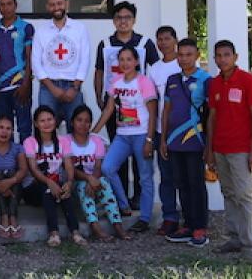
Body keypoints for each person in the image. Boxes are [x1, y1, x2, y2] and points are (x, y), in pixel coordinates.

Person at [93, 2, 159, 209]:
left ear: (134, 20)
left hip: (140, 112)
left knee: (141, 159)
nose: (123, 21)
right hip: (116, 108)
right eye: (119, 17)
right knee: (117, 154)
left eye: (127, 17)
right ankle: (120, 199)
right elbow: (99, 71)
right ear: (113, 20)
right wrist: (98, 96)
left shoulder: (146, 43)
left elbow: (155, 72)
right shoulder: (105, 43)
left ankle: (138, 197)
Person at [204, 40, 252, 256]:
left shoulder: (248, 81)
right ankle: (234, 238)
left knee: (243, 194)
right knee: (228, 193)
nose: (222, 59)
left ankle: (249, 245)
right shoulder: (215, 84)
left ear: (235, 57)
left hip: (241, 150)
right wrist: (209, 150)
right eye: (218, 55)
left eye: (226, 55)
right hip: (220, 148)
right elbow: (212, 117)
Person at [93, 46, 158, 233]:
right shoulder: (116, 81)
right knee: (107, 167)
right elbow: (109, 110)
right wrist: (94, 132)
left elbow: (153, 113)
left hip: (141, 134)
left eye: (129, 59)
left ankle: (145, 218)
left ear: (137, 62)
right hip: (122, 135)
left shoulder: (144, 82)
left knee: (145, 178)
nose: (125, 63)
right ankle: (123, 205)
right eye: (122, 59)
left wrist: (149, 139)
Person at [159, 38, 211, 248]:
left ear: (197, 56)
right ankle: (188, 225)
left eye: (189, 54)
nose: (184, 59)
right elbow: (166, 111)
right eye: (180, 55)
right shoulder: (172, 80)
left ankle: (200, 227)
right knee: (181, 184)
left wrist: (209, 144)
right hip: (174, 143)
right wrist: (162, 139)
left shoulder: (206, 80)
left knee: (196, 184)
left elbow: (211, 115)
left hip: (196, 142)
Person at [23, 105, 85, 247]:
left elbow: (69, 166)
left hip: (56, 183)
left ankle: (75, 232)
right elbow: (33, 169)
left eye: (49, 119)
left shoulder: (63, 141)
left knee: (65, 192)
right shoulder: (30, 142)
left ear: (55, 120)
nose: (46, 123)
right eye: (42, 120)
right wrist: (49, 182)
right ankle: (54, 233)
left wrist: (69, 182)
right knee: (48, 189)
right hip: (33, 188)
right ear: (36, 124)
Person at [68, 105, 129, 242]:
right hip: (74, 182)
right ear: (72, 122)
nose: (83, 124)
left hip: (94, 180)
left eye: (87, 121)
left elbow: (98, 166)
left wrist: (93, 179)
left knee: (104, 183)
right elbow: (70, 169)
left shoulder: (96, 141)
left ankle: (117, 225)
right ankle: (95, 226)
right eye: (79, 120)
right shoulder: (66, 141)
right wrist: (89, 179)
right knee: (84, 186)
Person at [31, 0, 91, 126]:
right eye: (52, 5)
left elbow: (85, 59)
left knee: (77, 128)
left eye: (59, 3)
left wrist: (75, 88)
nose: (56, 7)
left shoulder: (80, 28)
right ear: (47, 7)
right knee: (46, 129)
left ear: (67, 4)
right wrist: (53, 88)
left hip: (73, 86)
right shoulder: (41, 30)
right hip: (48, 88)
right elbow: (35, 62)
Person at [147, 26, 183, 236]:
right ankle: (170, 217)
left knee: (186, 177)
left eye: (167, 39)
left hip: (185, 132)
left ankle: (191, 216)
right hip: (163, 131)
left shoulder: (185, 64)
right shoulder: (155, 69)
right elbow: (153, 104)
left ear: (175, 40)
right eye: (159, 40)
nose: (163, 43)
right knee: (166, 176)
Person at [0, 0, 35, 142]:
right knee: (4, 129)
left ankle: (26, 163)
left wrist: (26, 83)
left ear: (15, 5)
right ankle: (8, 163)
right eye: (2, 4)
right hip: (0, 87)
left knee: (24, 127)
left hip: (20, 86)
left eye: (9, 4)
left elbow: (30, 57)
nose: (6, 8)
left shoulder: (26, 27)